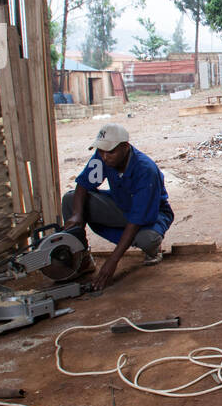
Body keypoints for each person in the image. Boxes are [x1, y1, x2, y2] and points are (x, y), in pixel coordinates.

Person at [61, 123, 174, 291]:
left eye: (110, 151)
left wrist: (112, 261)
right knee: (71, 199)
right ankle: (82, 258)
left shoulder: (145, 170)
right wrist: (77, 214)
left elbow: (137, 219)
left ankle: (153, 249)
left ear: (125, 147)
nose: (105, 157)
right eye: (101, 151)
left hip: (150, 214)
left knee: (147, 239)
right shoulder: (102, 157)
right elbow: (83, 185)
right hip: (120, 206)